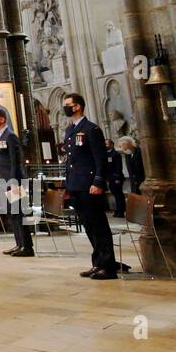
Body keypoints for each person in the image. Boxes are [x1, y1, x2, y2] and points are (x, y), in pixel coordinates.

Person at [63, 93, 119, 279]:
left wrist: (98, 182)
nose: (66, 108)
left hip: (89, 185)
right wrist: (68, 183)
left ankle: (108, 266)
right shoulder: (70, 130)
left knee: (99, 225)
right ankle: (97, 263)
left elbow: (100, 159)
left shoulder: (91, 129)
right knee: (88, 225)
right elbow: (70, 160)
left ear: (78, 106)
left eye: (68, 105)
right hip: (76, 184)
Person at [0, 110, 32, 257]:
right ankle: (19, 244)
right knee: (11, 213)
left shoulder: (11, 136)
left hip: (14, 181)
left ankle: (27, 247)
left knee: (18, 212)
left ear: (2, 119)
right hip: (4, 180)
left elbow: (16, 160)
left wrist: (14, 180)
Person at [105, 133, 126, 217]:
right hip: (110, 178)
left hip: (116, 178)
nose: (105, 145)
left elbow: (118, 166)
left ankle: (121, 211)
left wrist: (117, 177)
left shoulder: (115, 154)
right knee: (115, 194)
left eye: (107, 144)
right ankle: (117, 210)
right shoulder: (107, 154)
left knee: (119, 195)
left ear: (112, 145)